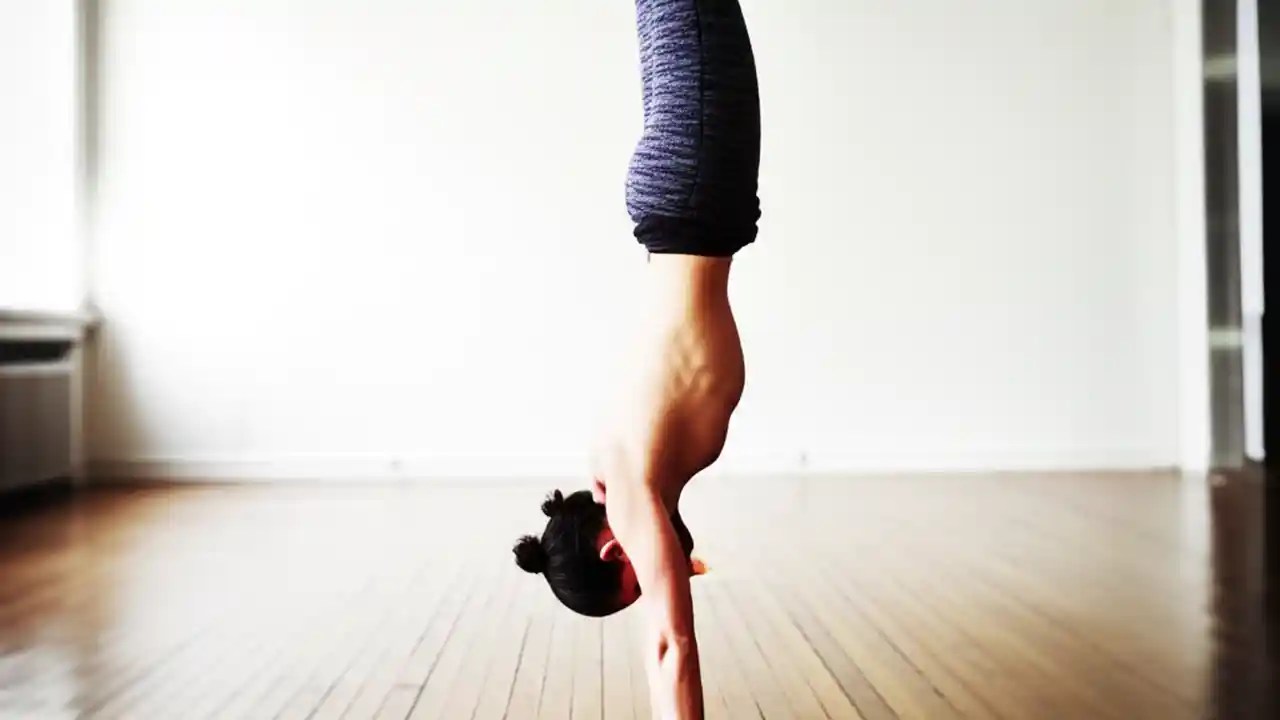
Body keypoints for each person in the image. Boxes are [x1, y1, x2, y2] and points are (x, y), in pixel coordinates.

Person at [513, 1, 760, 717]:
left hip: (695, 189)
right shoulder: (619, 466)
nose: (664, 573)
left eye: (643, 579)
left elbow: (669, 647)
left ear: (615, 554)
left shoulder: (634, 495)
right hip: (679, 199)